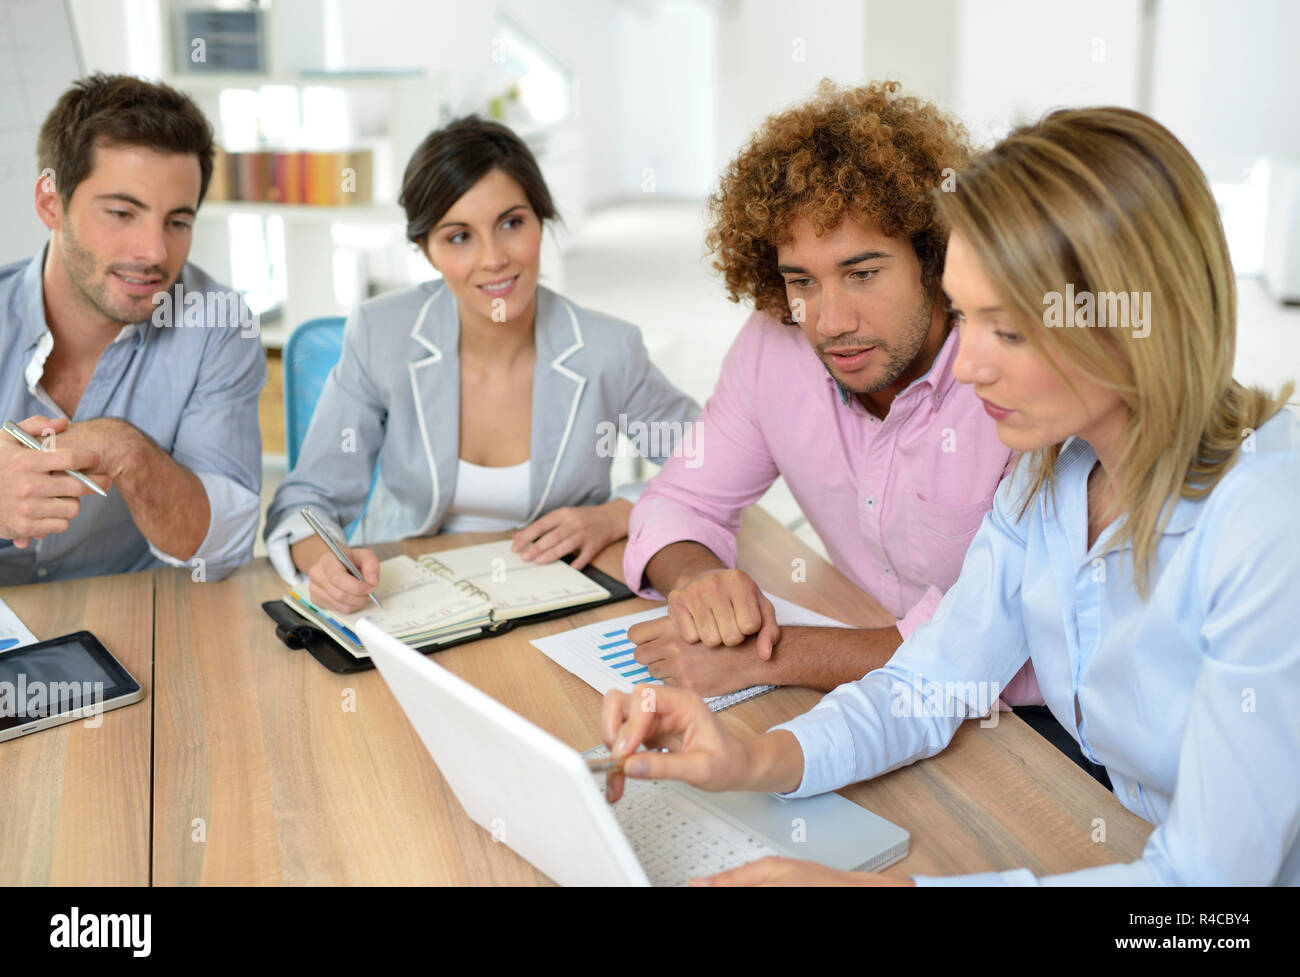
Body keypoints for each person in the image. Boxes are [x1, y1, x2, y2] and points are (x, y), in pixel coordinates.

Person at [601, 105, 1300, 885]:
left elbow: (1206, 904)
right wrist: (754, 756)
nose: (965, 368)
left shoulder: (1266, 527)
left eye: (1006, 329)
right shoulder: (1054, 472)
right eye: (966, 318)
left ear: (1129, 318)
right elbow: (927, 683)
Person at [622, 80, 1035, 705]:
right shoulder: (774, 346)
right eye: (801, 282)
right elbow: (679, 501)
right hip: (870, 692)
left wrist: (771, 657)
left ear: (935, 255)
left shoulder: (1011, 376)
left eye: (862, 273)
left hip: (1032, 730)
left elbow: (1001, 645)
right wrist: (700, 580)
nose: (830, 320)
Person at [265, 116, 700, 610]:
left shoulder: (608, 348)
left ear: (542, 221)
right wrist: (322, 562)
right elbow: (309, 496)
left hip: (552, 600)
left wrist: (620, 513)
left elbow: (715, 461)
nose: (493, 258)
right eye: (459, 237)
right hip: (407, 601)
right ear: (425, 251)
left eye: (511, 224)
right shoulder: (381, 334)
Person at [0, 74, 266, 585]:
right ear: (51, 203)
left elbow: (221, 550)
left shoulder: (219, 327)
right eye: (122, 213)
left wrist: (126, 449)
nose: (155, 253)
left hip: (132, 621)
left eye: (177, 222)